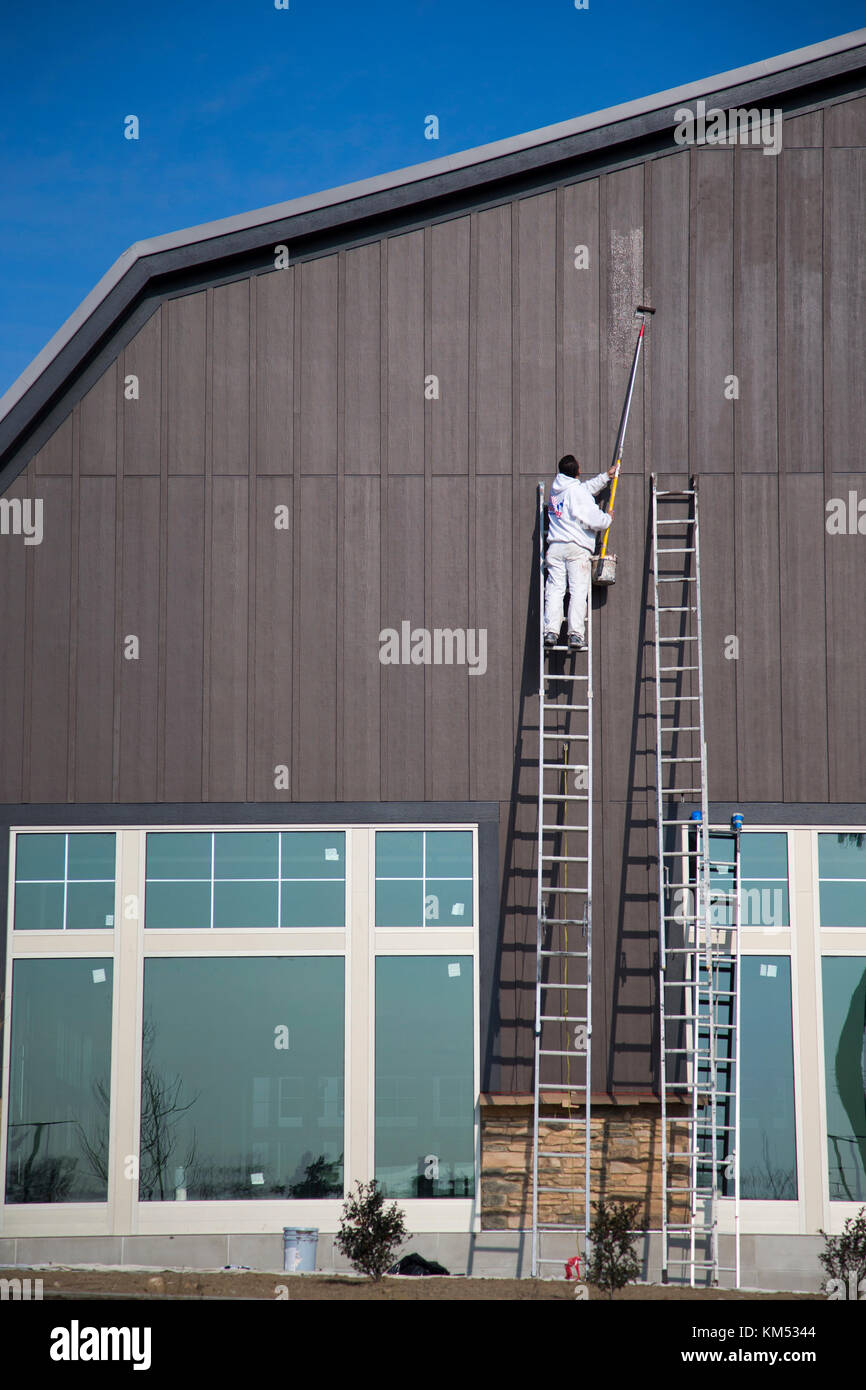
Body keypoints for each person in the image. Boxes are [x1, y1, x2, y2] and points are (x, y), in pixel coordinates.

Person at [543, 455, 616, 652]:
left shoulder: (557, 490)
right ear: (578, 471)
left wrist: (605, 477)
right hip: (575, 548)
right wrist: (606, 519)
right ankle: (575, 634)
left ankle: (550, 632)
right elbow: (591, 516)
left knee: (555, 590)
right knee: (577, 591)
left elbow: (583, 490)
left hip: (556, 548)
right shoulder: (575, 492)